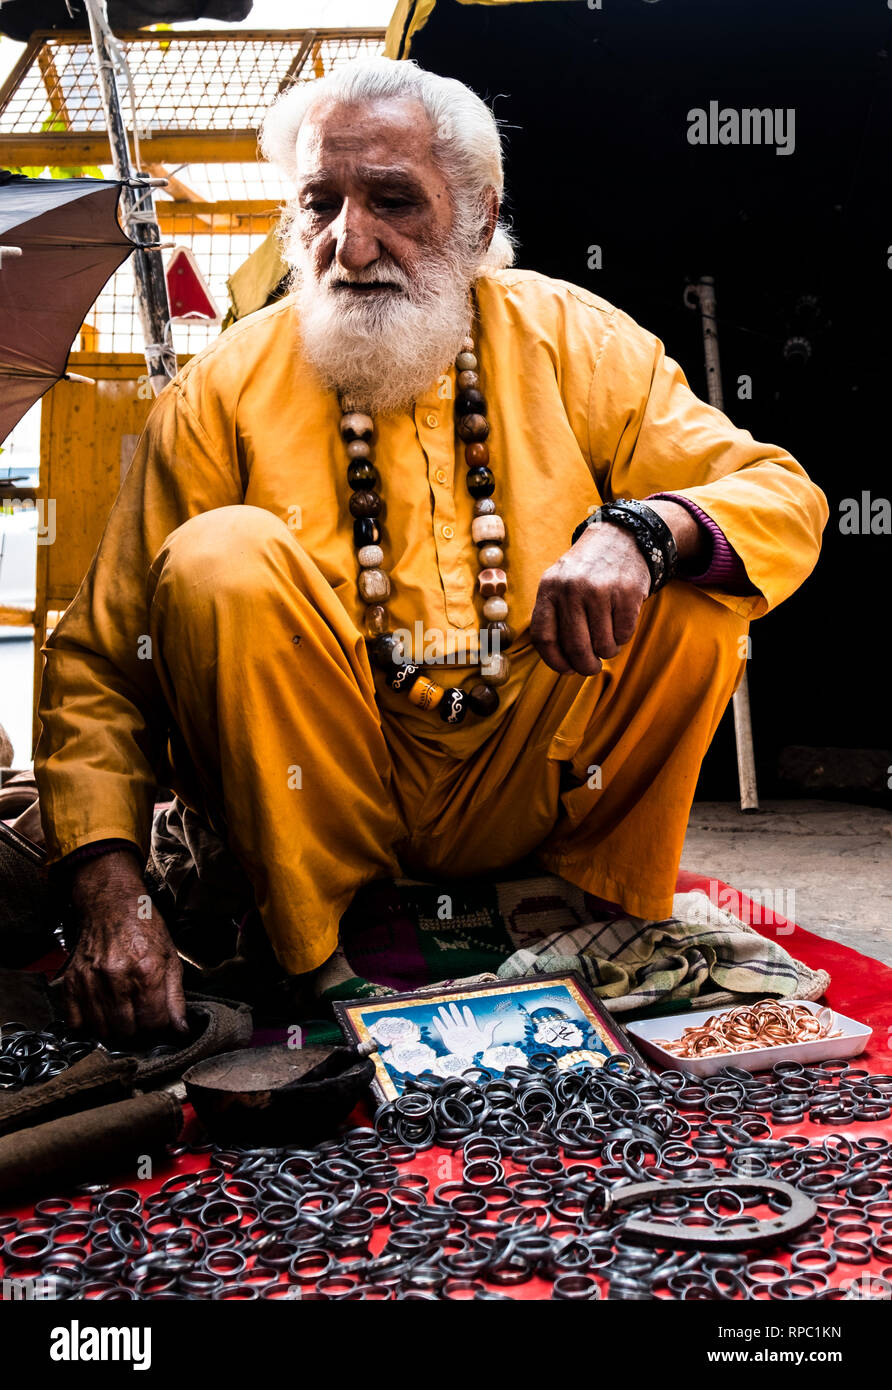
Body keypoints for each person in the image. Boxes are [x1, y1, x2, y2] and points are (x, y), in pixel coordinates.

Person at [34, 58, 827, 1038]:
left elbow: (780, 495)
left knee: (694, 582)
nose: (348, 241)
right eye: (318, 203)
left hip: (530, 776)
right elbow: (101, 663)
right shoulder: (222, 389)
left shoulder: (572, 341)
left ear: (480, 220)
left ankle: (593, 916)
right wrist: (110, 893)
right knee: (220, 560)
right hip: (322, 793)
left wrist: (640, 532)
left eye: (393, 201)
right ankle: (319, 951)